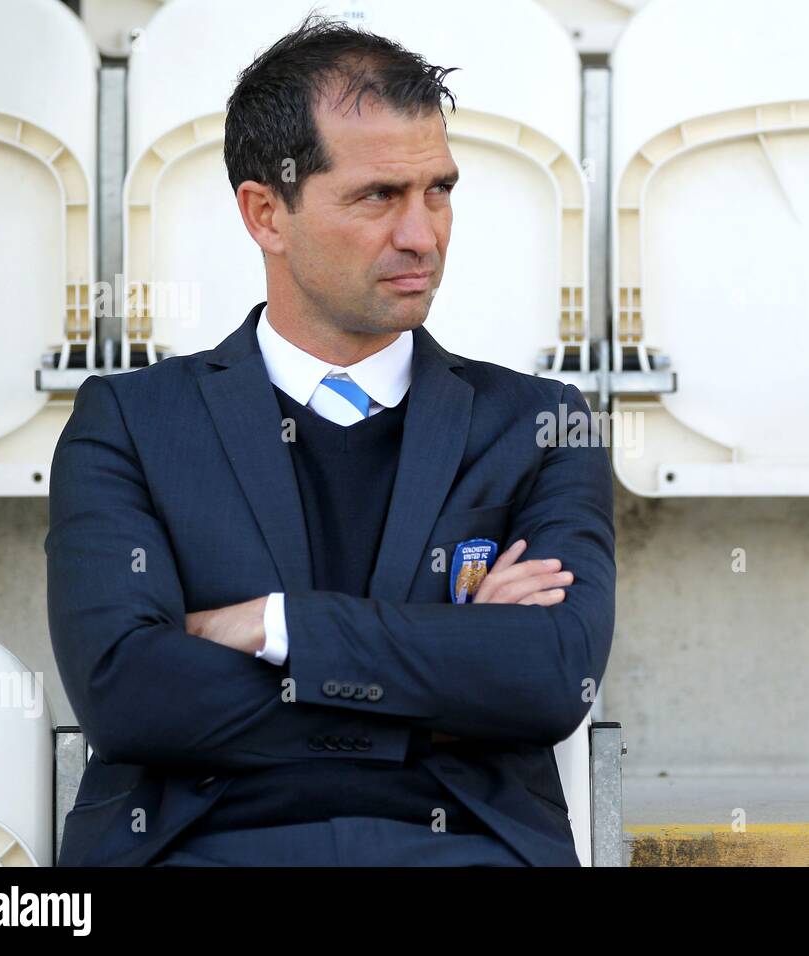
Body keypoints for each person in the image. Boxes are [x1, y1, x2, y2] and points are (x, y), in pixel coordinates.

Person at [45, 15, 615, 867]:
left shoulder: (545, 421)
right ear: (266, 213)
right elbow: (131, 697)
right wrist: (445, 667)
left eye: (440, 191)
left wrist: (277, 628)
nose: (423, 235)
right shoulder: (128, 422)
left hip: (464, 852)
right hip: (198, 851)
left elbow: (549, 676)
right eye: (378, 196)